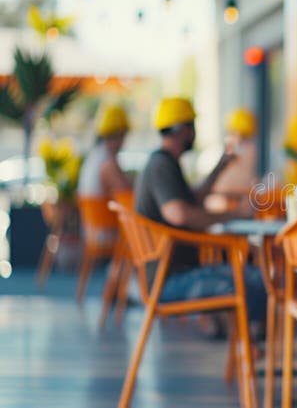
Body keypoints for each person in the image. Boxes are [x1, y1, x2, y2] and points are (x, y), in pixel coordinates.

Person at [134, 97, 265, 331]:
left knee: (255, 278)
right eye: (192, 126)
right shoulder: (161, 165)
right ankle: (253, 352)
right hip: (169, 282)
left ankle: (248, 350)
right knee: (258, 282)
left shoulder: (165, 163)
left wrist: (220, 166)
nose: (194, 132)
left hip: (171, 276)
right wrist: (235, 216)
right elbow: (180, 214)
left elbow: (193, 199)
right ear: (182, 129)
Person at [206, 107, 259, 211]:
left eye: (245, 136)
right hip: (221, 201)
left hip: (236, 200)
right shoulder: (230, 151)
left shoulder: (249, 151)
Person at [78, 104, 133, 198]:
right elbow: (128, 195)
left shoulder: (95, 155)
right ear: (119, 133)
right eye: (123, 135)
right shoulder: (108, 163)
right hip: (102, 212)